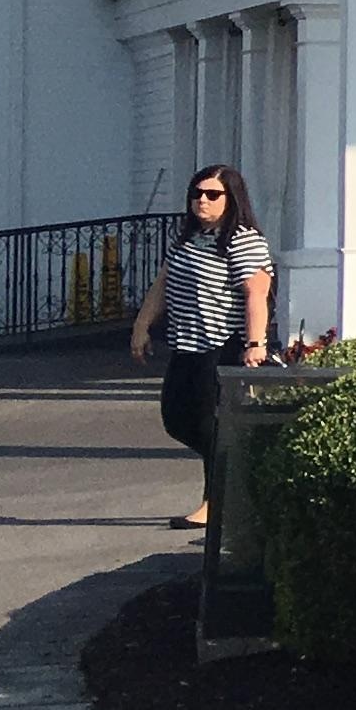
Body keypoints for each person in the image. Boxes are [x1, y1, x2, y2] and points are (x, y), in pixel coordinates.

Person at [129, 164, 272, 532]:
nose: (202, 201)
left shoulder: (242, 239)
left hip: (221, 345)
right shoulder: (189, 239)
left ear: (231, 198)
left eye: (212, 195)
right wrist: (142, 326)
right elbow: (162, 284)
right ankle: (240, 474)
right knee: (176, 419)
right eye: (196, 194)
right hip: (186, 345)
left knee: (210, 424)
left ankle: (216, 503)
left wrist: (256, 344)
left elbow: (256, 292)